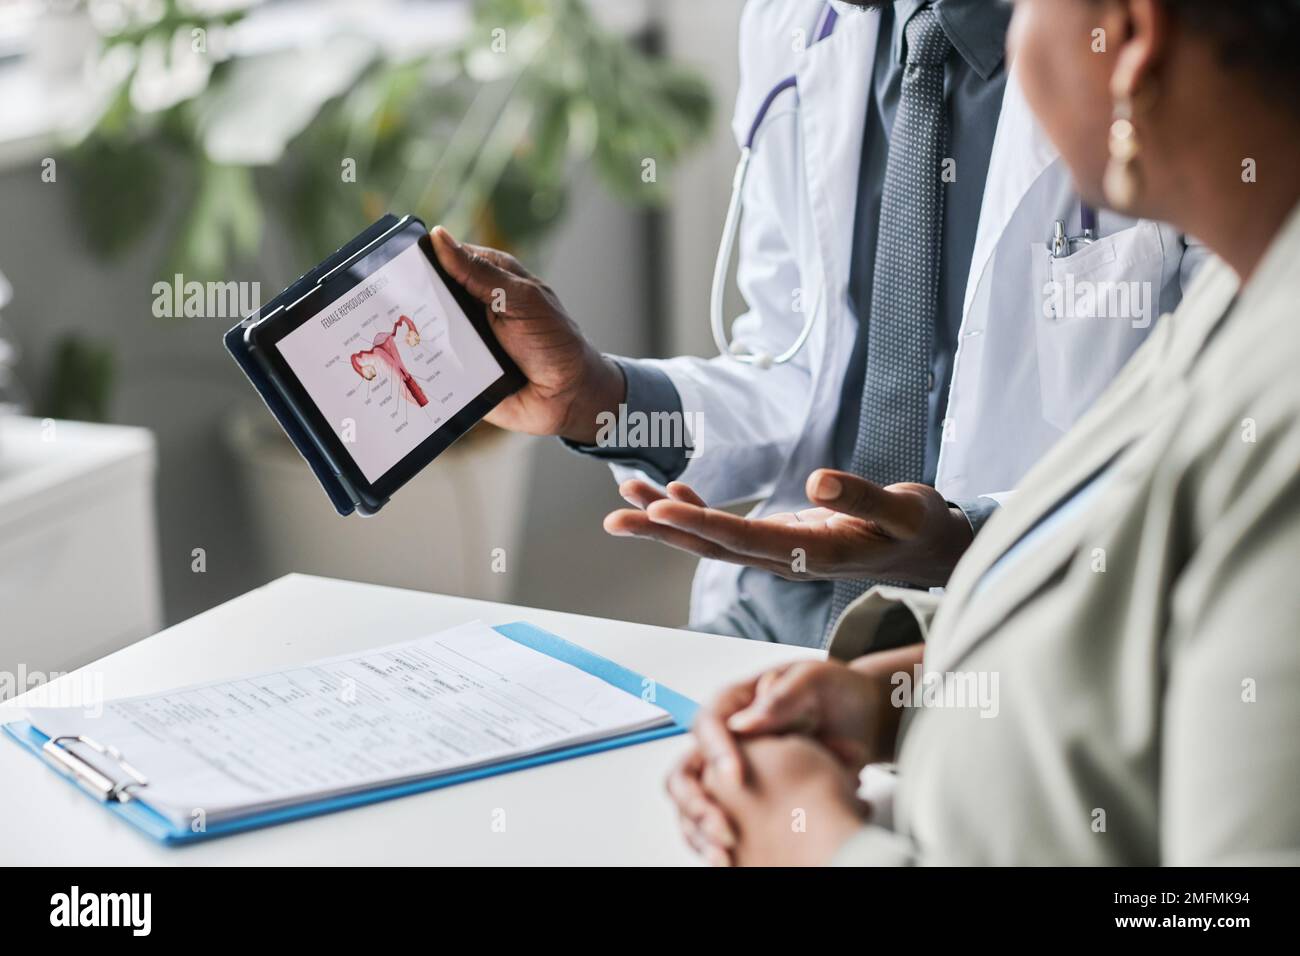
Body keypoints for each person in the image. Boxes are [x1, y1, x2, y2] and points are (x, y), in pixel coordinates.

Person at [667, 0, 1300, 866]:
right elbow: (1138, 609)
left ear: (1131, 39)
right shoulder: (1242, 293)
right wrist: (894, 699)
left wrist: (817, 848)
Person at [431, 0, 1202, 648]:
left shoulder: (1188, 53)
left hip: (1022, 636)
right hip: (778, 619)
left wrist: (967, 538)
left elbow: (1211, 445)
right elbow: (790, 368)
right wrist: (601, 399)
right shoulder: (797, 23)